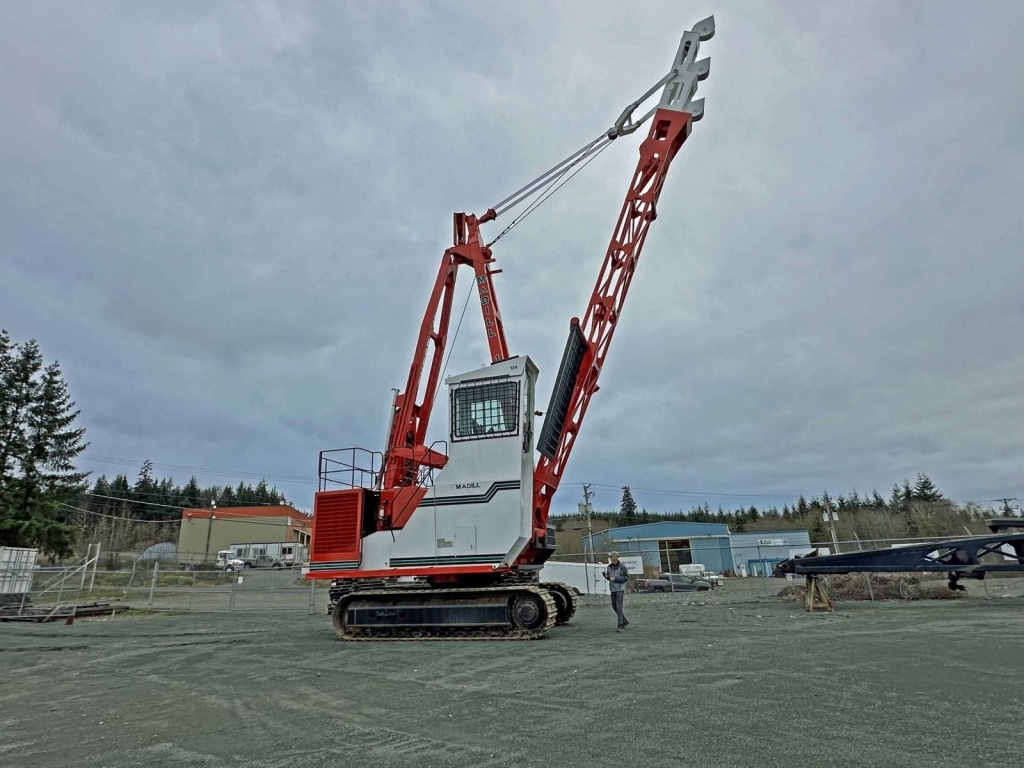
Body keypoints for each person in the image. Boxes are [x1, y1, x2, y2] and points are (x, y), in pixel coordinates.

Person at [603, 551, 630, 631]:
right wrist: (606, 577)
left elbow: (626, 577)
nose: (611, 558)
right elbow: (609, 577)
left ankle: (620, 625)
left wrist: (616, 579)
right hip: (612, 589)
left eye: (611, 556)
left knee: (618, 606)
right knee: (614, 606)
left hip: (620, 589)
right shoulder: (609, 567)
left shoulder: (622, 567)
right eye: (610, 557)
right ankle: (624, 620)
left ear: (616, 557)